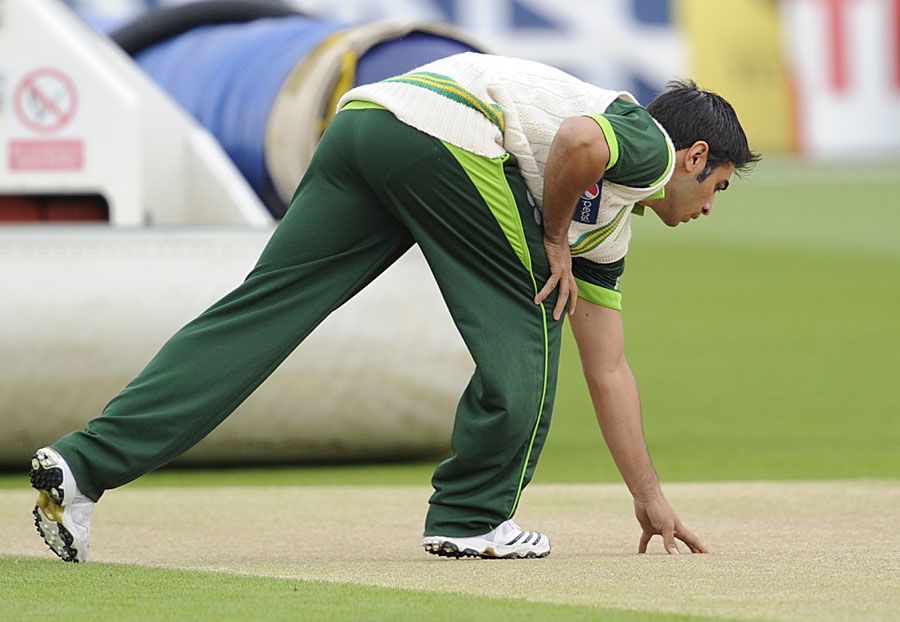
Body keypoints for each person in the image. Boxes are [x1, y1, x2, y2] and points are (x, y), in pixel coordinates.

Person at [30, 52, 758, 563]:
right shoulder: (651, 146)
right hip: (448, 135)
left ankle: (82, 467)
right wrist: (555, 238)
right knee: (540, 308)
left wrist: (649, 498)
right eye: (719, 186)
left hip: (368, 124)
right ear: (696, 157)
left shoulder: (611, 230)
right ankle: (473, 519)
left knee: (261, 316)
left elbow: (612, 371)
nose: (708, 207)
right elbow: (576, 141)